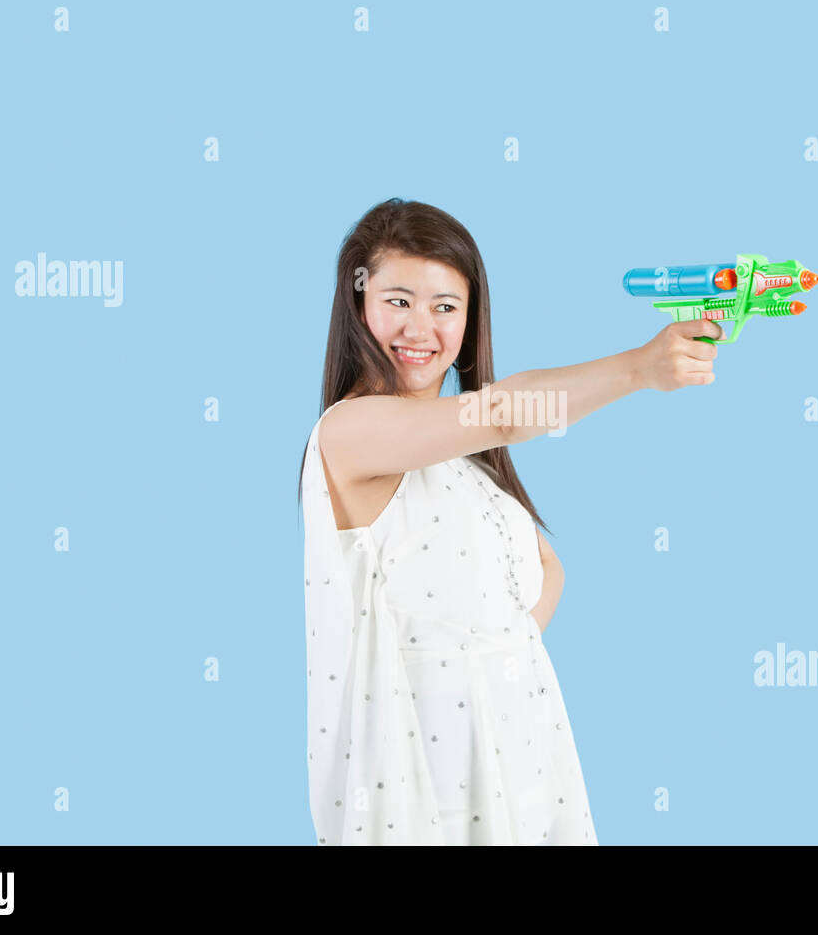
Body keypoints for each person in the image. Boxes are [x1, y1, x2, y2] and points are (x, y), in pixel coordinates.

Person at [299, 197, 721, 845]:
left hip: (522, 768)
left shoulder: (471, 470)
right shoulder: (348, 433)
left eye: (446, 307)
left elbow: (546, 568)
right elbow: (497, 413)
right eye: (398, 300)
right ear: (357, 304)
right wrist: (640, 368)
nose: (421, 327)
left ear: (469, 323)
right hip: (419, 795)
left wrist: (498, 659)